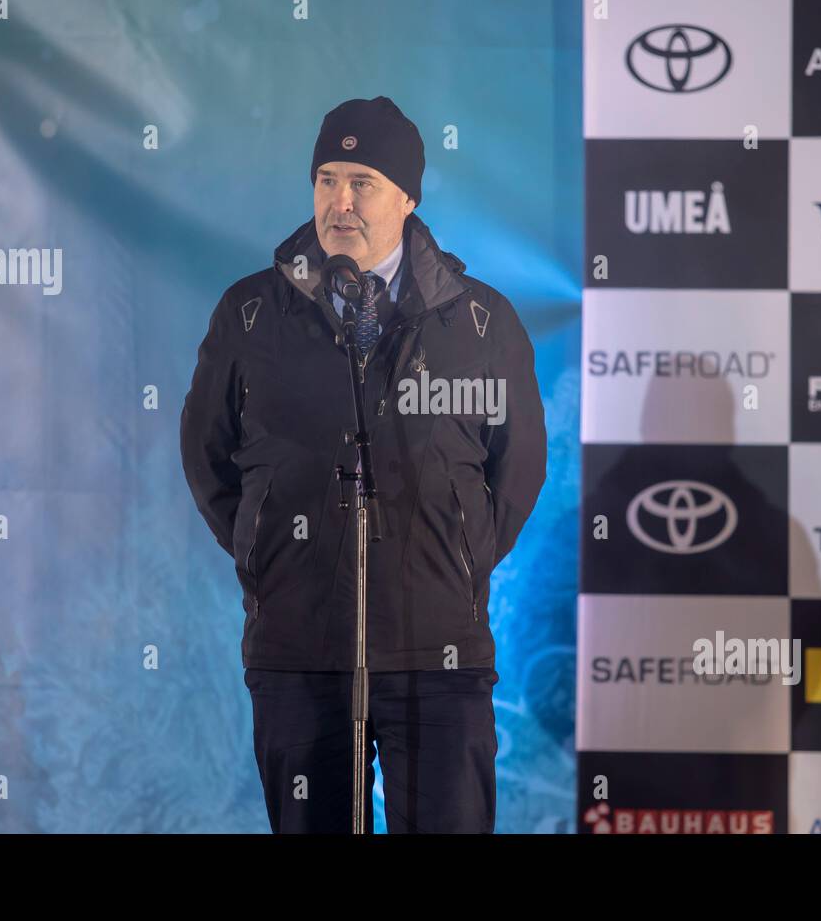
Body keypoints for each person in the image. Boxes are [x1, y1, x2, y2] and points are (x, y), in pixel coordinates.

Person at [180, 96, 547, 833]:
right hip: (300, 651)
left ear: (407, 198)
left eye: (362, 182)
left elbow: (518, 469)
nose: (339, 201)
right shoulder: (250, 313)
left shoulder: (481, 322)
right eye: (326, 179)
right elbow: (207, 455)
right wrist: (271, 552)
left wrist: (459, 554)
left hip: (439, 654)